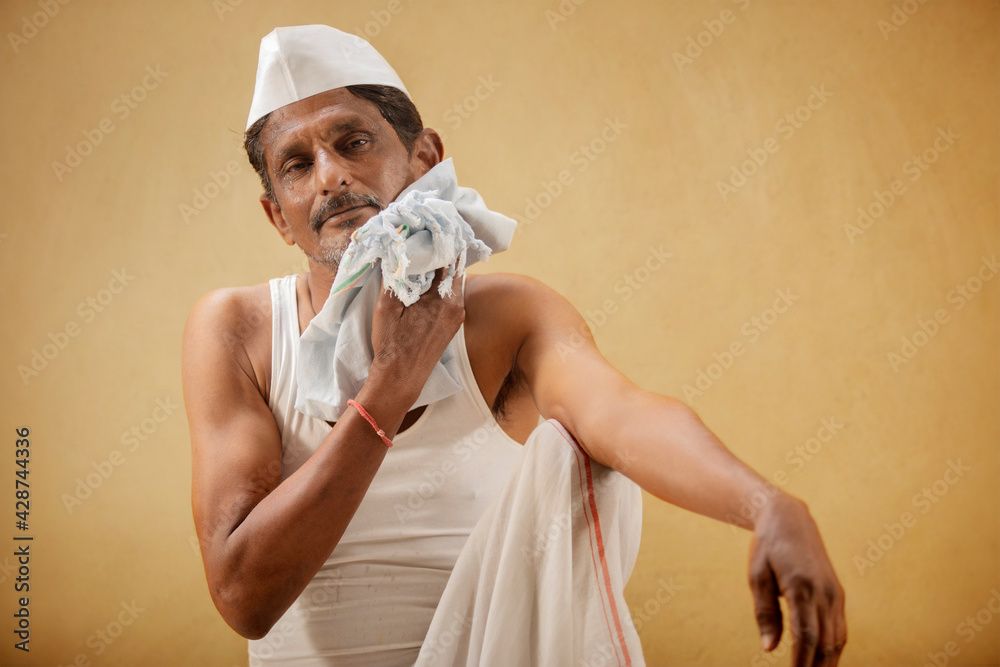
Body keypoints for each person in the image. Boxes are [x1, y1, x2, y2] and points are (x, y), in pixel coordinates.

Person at [182, 24, 846, 667]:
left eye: (354, 141)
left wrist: (767, 504)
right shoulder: (238, 330)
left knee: (576, 446)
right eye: (297, 165)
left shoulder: (507, 317)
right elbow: (245, 596)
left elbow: (621, 414)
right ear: (277, 214)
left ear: (425, 158)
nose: (329, 177)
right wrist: (393, 380)